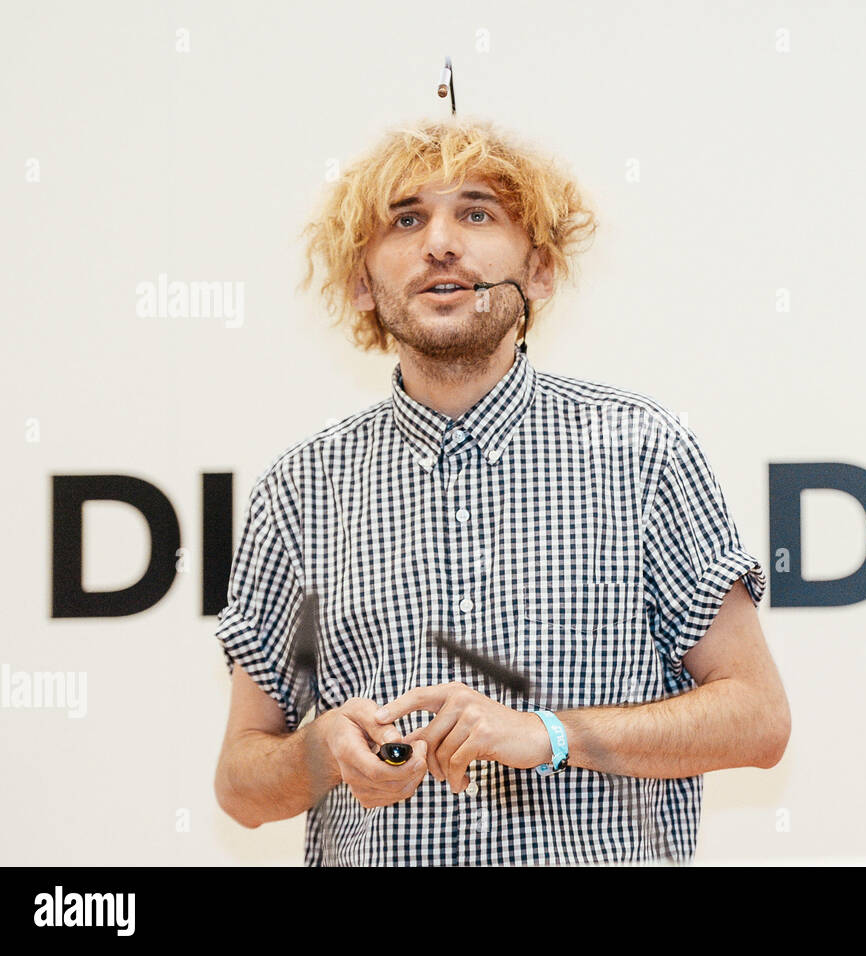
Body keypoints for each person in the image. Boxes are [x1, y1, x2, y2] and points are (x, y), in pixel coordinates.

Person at [212, 118, 789, 865]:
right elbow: (240, 784)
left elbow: (758, 719)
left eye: (477, 214)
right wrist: (318, 754)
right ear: (361, 284)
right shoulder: (300, 489)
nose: (440, 244)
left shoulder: (643, 450)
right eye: (405, 220)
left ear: (539, 271)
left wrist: (546, 735)